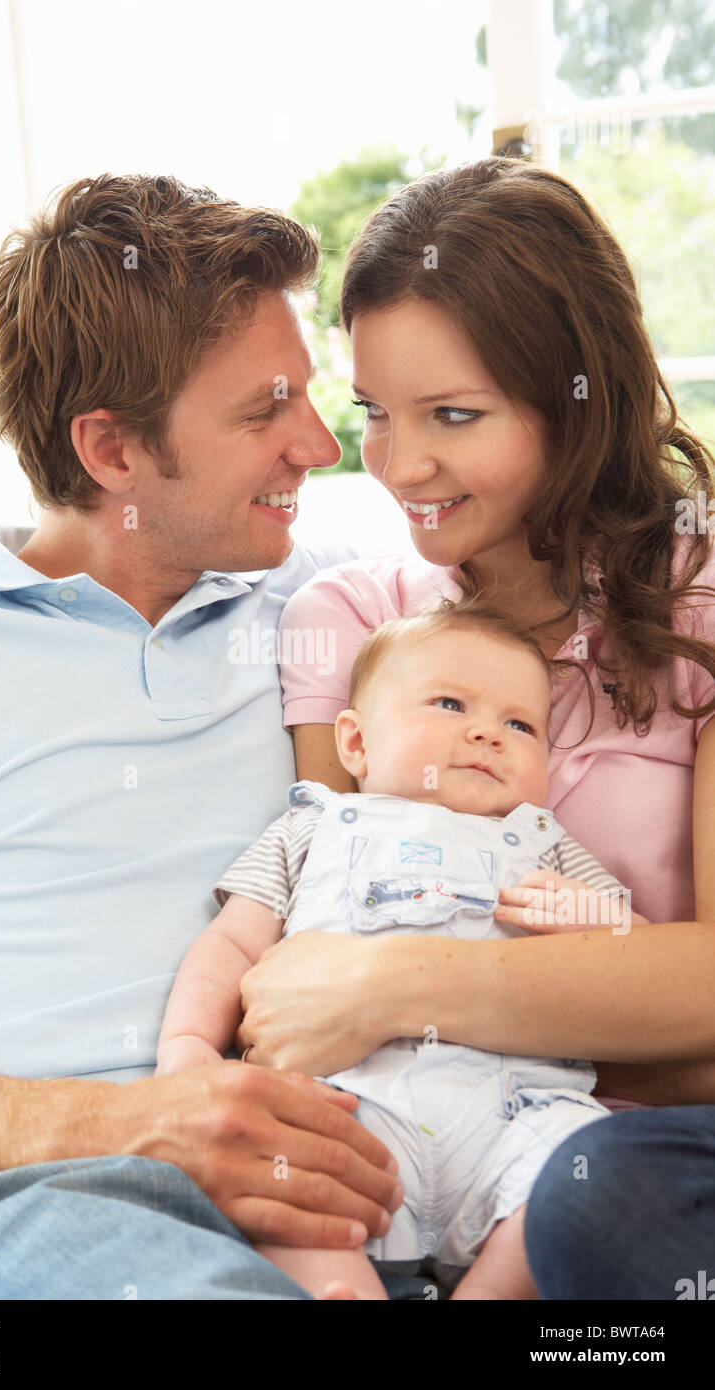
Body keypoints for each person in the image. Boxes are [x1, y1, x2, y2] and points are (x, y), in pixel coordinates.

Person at [0, 173, 407, 1302]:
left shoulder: (333, 617)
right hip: (20, 1210)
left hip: (334, 1195)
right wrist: (138, 1122)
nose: (319, 446)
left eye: (308, 397)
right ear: (111, 451)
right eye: (263, 412)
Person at [233, 157, 715, 1298]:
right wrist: (633, 989)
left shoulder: (698, 602)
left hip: (633, 1174)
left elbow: (357, 981)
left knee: (600, 1204)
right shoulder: (345, 622)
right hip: (400, 1151)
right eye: (374, 415)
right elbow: (312, 961)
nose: (398, 467)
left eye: (452, 415)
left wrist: (399, 982)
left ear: (576, 393)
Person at [159, 600, 653, 1299]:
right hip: (345, 1107)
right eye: (450, 703)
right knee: (280, 1181)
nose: (487, 732)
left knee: (591, 1171)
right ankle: (341, 1288)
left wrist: (597, 922)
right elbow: (234, 940)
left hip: (519, 1118)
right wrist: (187, 1048)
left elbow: (644, 962)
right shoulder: (312, 825)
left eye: (520, 724)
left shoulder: (548, 844)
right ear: (355, 745)